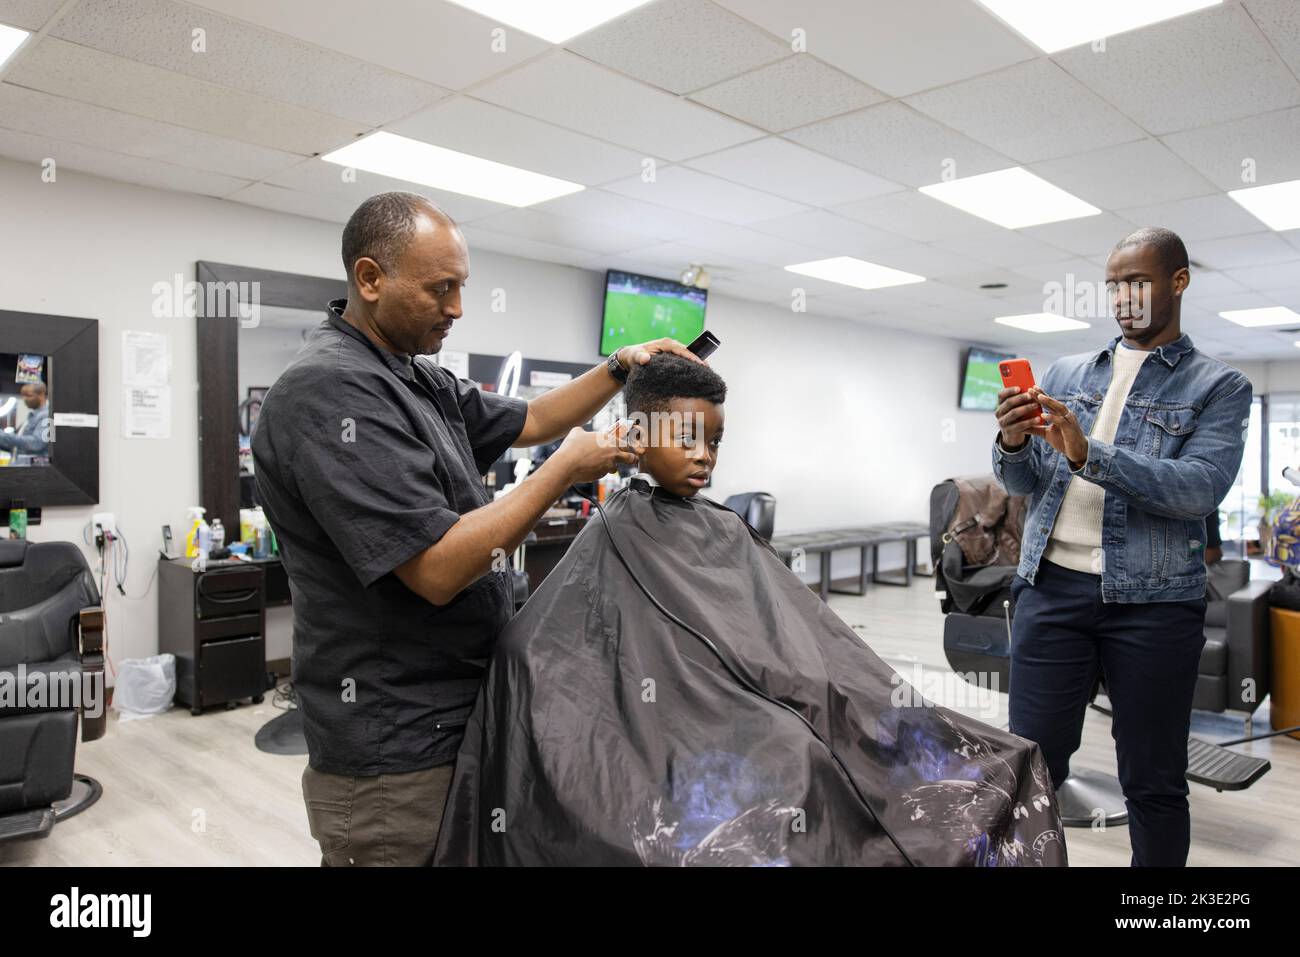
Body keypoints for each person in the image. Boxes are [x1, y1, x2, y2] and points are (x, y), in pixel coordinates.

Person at [434, 355, 1065, 866]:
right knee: (779, 777)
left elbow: (796, 643)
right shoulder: (612, 534)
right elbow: (541, 654)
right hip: (669, 744)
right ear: (633, 437)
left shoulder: (724, 531)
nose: (706, 455)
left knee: (831, 754)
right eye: (687, 439)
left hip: (751, 713)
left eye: (715, 440)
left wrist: (811, 692)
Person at [251, 191, 702, 866]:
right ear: (370, 279)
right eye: (441, 289)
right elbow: (433, 570)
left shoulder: (415, 378)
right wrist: (563, 470)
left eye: (462, 287)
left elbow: (533, 419)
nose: (458, 308)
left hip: (458, 713)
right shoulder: (329, 393)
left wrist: (619, 367)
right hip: (395, 752)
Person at [992, 226, 1252, 867]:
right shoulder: (1067, 372)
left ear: (1178, 282)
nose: (1123, 298)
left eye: (1138, 282)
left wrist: (1089, 453)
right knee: (1032, 770)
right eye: (1114, 285)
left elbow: (1198, 490)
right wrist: (1014, 444)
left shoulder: (1219, 387)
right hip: (1052, 589)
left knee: (1154, 780)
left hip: (1156, 606)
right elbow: (1023, 483)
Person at [0, 383, 50, 465]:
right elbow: (18, 447)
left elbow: (37, 443)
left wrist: (3, 436)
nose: (24, 399)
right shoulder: (31, 417)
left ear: (41, 394)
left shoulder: (47, 416)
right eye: (23, 395)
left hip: (33, 471)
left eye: (28, 395)